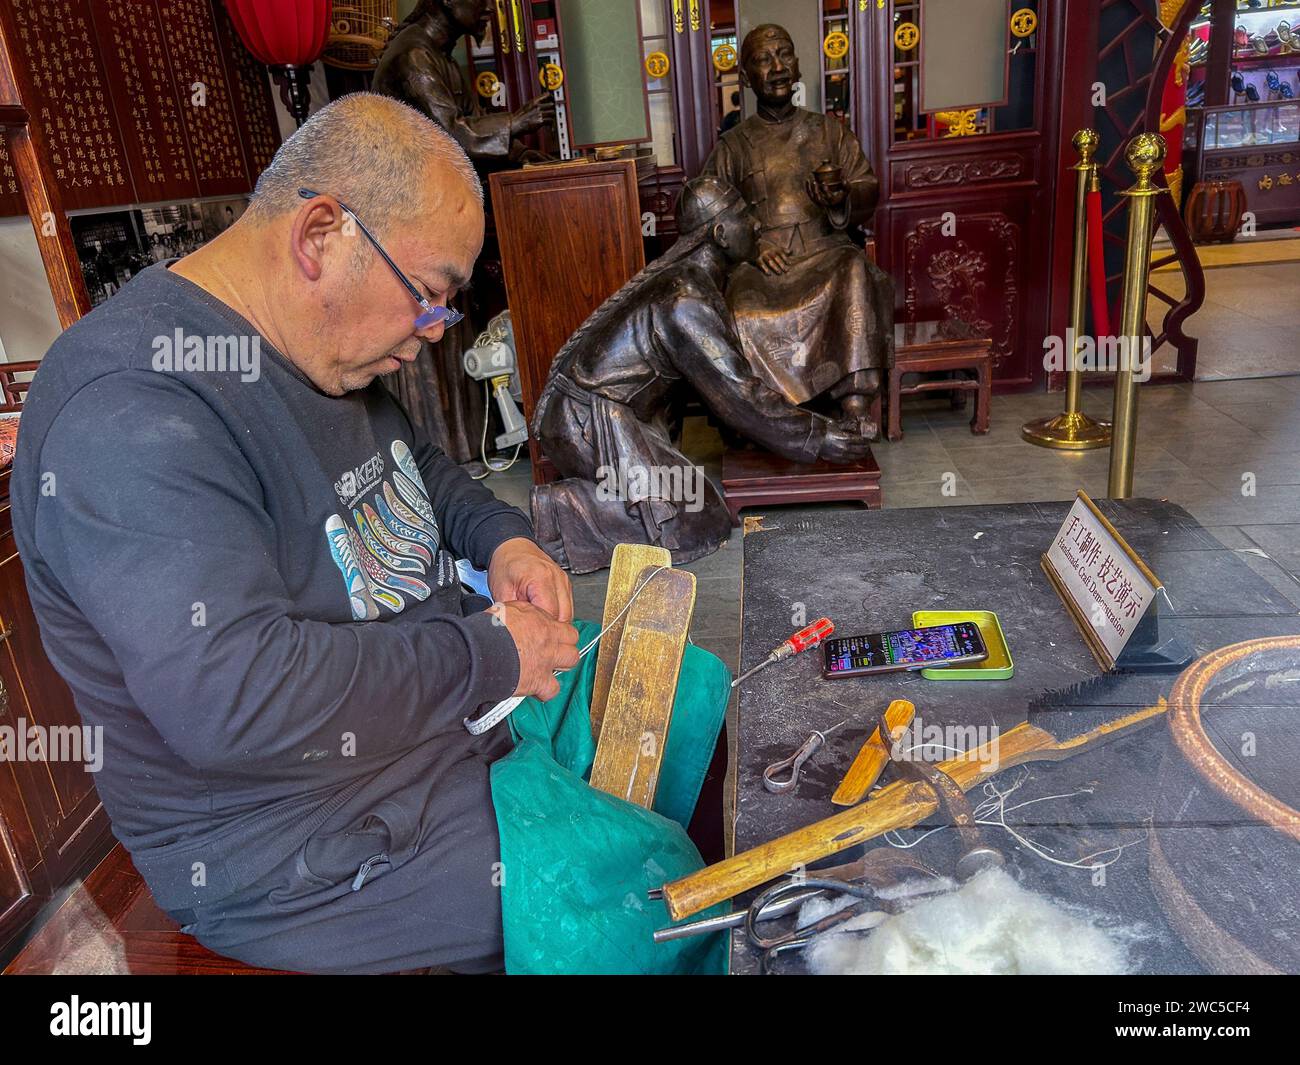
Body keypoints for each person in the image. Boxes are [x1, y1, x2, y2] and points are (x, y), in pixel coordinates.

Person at [12, 94, 725, 975]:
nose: (430, 336)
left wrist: (504, 540)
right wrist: (490, 657)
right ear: (321, 236)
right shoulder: (130, 410)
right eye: (427, 297)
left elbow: (420, 465)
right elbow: (235, 695)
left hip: (440, 702)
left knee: (691, 689)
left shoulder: (320, 343)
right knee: (641, 895)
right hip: (292, 834)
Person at [531, 176, 870, 574]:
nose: (758, 226)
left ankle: (593, 501)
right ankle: (557, 509)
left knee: (703, 502)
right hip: (589, 425)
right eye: (746, 217)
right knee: (695, 523)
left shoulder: (692, 283)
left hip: (598, 417)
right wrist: (820, 436)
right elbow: (740, 397)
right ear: (721, 233)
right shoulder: (685, 301)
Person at [372, 0, 558, 465]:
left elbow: (472, 132)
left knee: (455, 326)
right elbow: (455, 135)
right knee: (431, 329)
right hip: (411, 229)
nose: (490, 10)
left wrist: (523, 156)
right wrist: (516, 122)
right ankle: (441, 450)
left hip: (439, 224)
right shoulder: (413, 58)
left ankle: (468, 440)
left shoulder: (444, 62)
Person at [702, 23, 894, 439]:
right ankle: (758, 418)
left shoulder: (829, 131)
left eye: (784, 55)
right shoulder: (732, 146)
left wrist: (841, 195)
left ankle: (854, 405)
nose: (776, 67)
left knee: (853, 270)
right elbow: (709, 214)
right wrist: (751, 246)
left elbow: (867, 186)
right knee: (741, 310)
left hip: (825, 251)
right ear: (747, 77)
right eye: (763, 60)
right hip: (764, 264)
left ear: (798, 65)